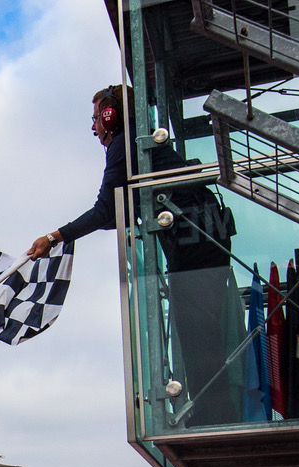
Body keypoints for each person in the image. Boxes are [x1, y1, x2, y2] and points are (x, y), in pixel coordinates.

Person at [27, 84, 242, 426]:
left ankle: (216, 416)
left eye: (97, 117)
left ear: (112, 115)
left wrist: (55, 237)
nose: (94, 126)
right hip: (205, 236)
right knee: (202, 333)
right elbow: (115, 214)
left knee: (198, 333)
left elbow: (103, 211)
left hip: (194, 242)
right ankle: (215, 412)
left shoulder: (124, 146)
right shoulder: (138, 146)